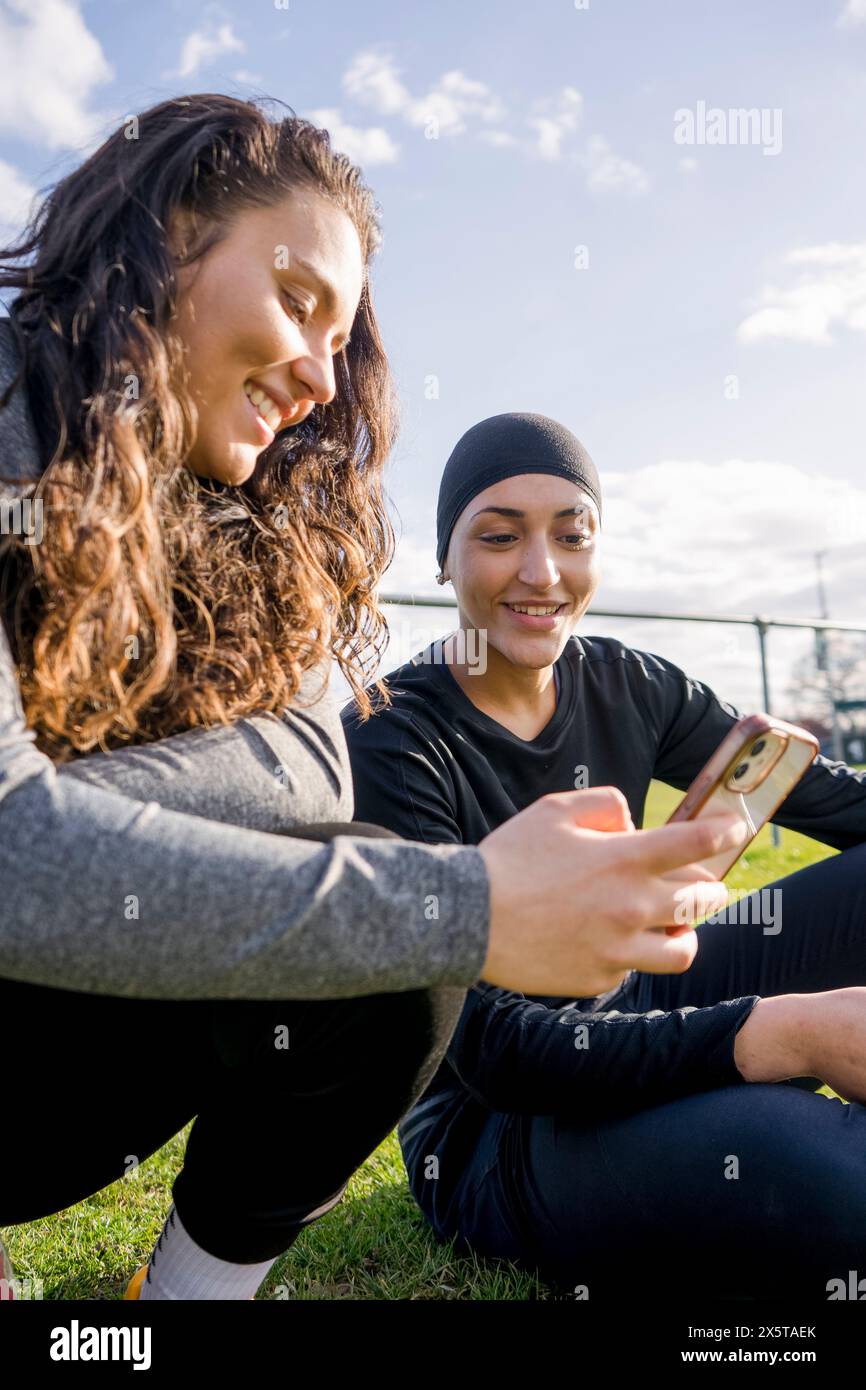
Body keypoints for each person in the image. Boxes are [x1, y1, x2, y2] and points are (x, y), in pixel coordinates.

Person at [0, 96, 742, 1302]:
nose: (318, 372)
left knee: (393, 946)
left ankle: (183, 1300)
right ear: (160, 235)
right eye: (298, 302)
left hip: (51, 1084)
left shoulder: (261, 548)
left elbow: (306, 771)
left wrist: (62, 795)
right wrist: (472, 898)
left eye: (342, 337)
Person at [341, 411, 866, 1302]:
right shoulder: (393, 740)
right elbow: (493, 1049)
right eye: (499, 537)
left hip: (635, 999)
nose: (541, 573)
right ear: (445, 559)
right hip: (500, 1116)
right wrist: (791, 1033)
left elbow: (837, 805)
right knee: (815, 1172)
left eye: (571, 537)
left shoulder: (631, 682)